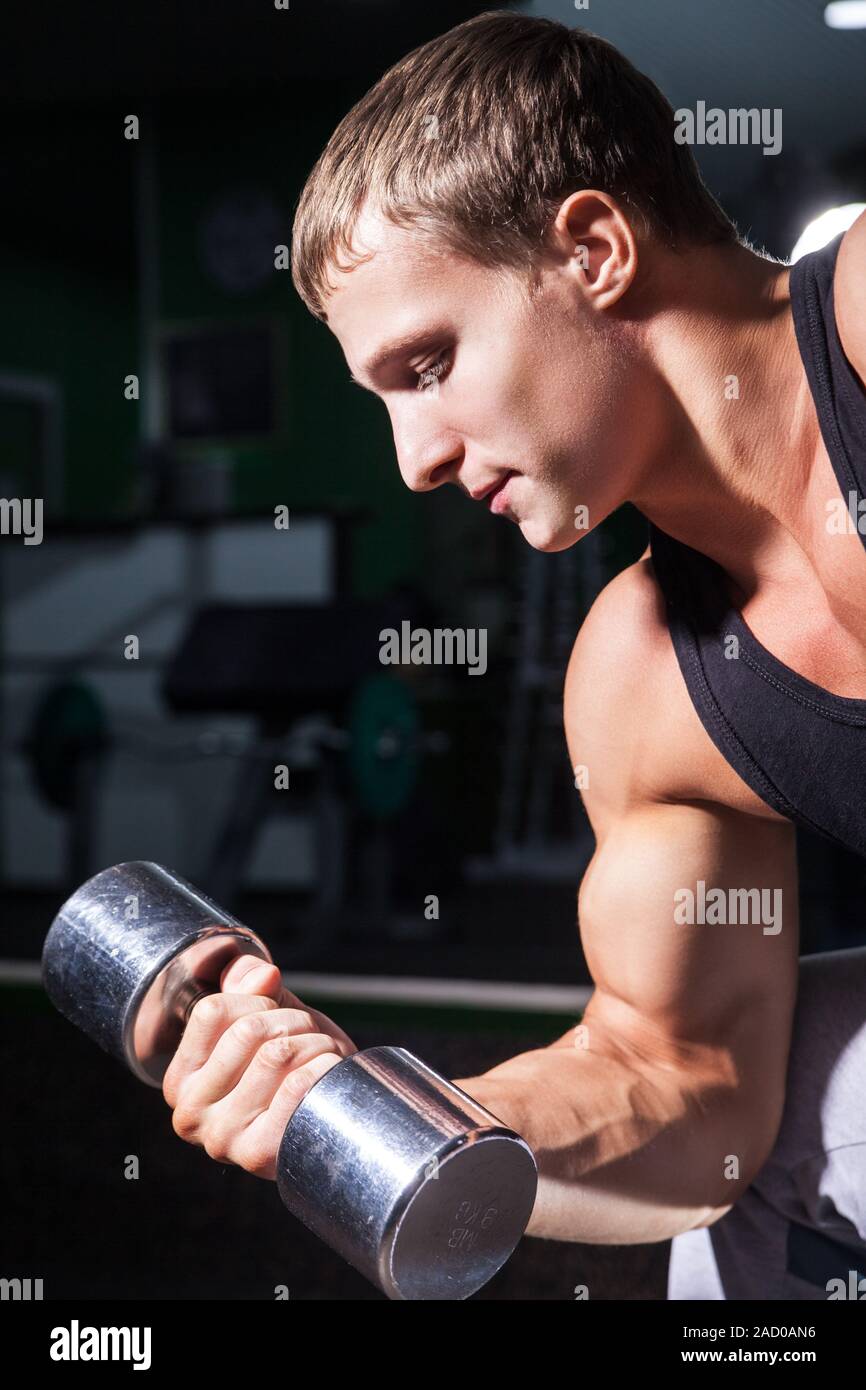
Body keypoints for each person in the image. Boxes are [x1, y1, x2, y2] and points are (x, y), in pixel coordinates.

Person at [161, 12, 866, 1299]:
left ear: (594, 249)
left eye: (427, 365)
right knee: (783, 1099)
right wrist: (392, 1115)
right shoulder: (645, 676)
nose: (412, 460)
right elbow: (680, 1074)